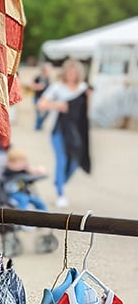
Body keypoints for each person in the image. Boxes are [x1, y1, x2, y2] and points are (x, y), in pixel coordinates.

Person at [37, 59, 91, 207]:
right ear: (65, 72)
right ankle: (61, 193)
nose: (72, 75)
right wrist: (57, 105)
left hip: (76, 131)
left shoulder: (83, 88)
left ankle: (59, 182)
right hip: (59, 130)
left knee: (75, 161)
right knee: (61, 161)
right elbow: (41, 105)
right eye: (69, 71)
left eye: (74, 72)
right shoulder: (57, 88)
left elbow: (87, 111)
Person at [31, 62, 52, 130]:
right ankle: (38, 126)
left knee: (47, 112)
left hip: (46, 99)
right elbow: (32, 86)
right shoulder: (38, 77)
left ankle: (40, 124)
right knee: (39, 113)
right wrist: (39, 86)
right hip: (37, 97)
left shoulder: (48, 79)